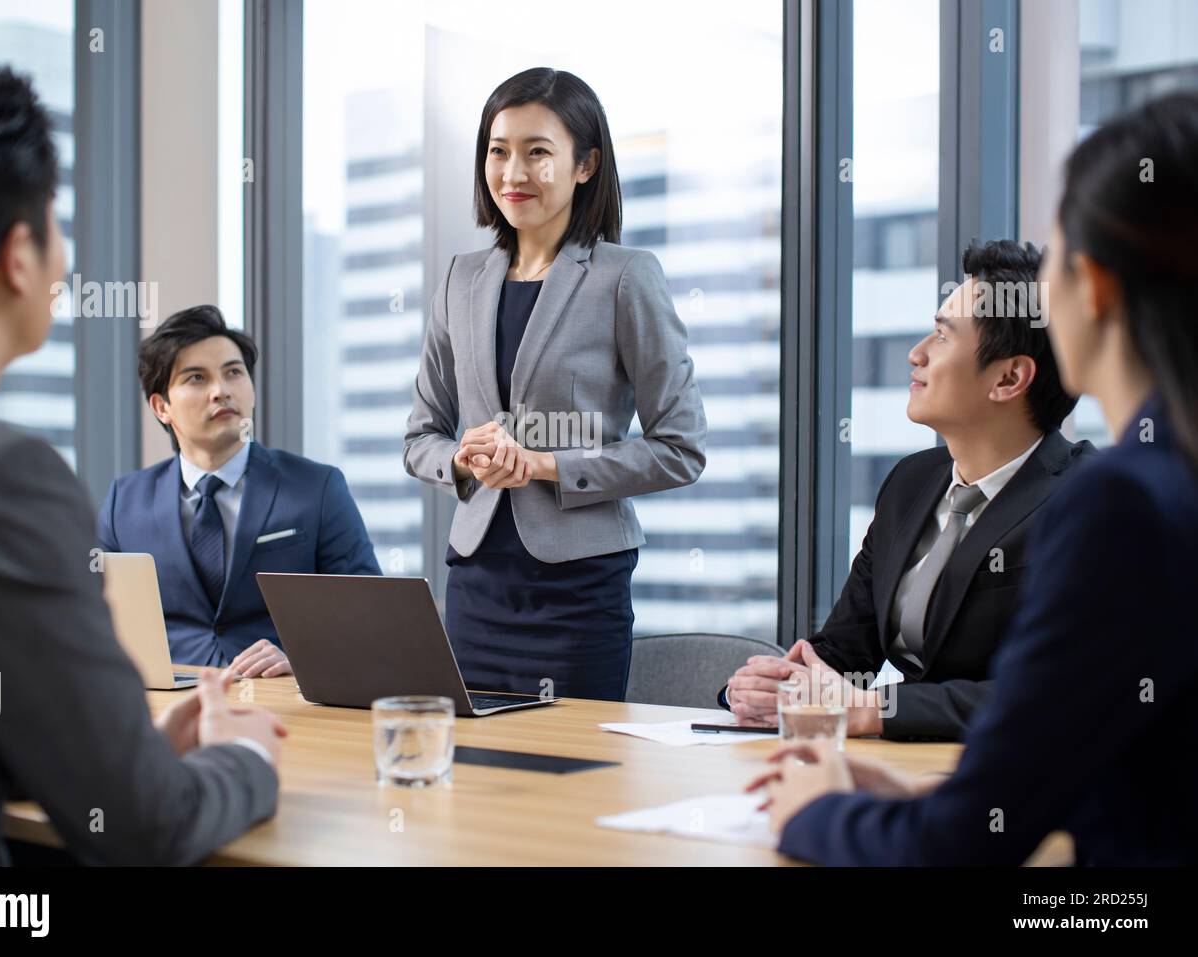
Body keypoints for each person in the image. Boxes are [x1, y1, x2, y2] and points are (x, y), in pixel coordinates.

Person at [755, 91, 1198, 866]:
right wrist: (920, 794)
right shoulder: (1168, 479)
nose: (917, 354)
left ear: (1091, 287)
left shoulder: (1117, 500)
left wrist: (816, 812)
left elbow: (964, 846)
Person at [0, 56, 284, 865]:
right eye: (57, 223)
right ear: (18, 254)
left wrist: (115, 745)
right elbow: (144, 824)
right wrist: (244, 756)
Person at [404, 67, 707, 700]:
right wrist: (460, 459)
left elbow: (680, 448)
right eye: (499, 150)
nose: (513, 173)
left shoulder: (626, 277)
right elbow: (420, 438)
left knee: (569, 778)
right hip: (477, 581)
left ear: (586, 165)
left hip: (577, 589)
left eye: (538, 152)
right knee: (475, 780)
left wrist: (547, 465)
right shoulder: (460, 278)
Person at [720, 239, 1092, 740]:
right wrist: (781, 684)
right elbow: (846, 652)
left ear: (1009, 377)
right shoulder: (911, 482)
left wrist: (875, 710)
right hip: (902, 766)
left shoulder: (1086, 498)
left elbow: (1056, 690)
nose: (916, 354)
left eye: (942, 336)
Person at [97, 305, 381, 676]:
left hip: (282, 703)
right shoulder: (124, 501)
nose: (221, 391)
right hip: (169, 704)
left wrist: (302, 660)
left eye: (233, 373)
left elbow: (371, 617)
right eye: (196, 378)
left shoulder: (317, 488)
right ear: (161, 406)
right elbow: (94, 617)